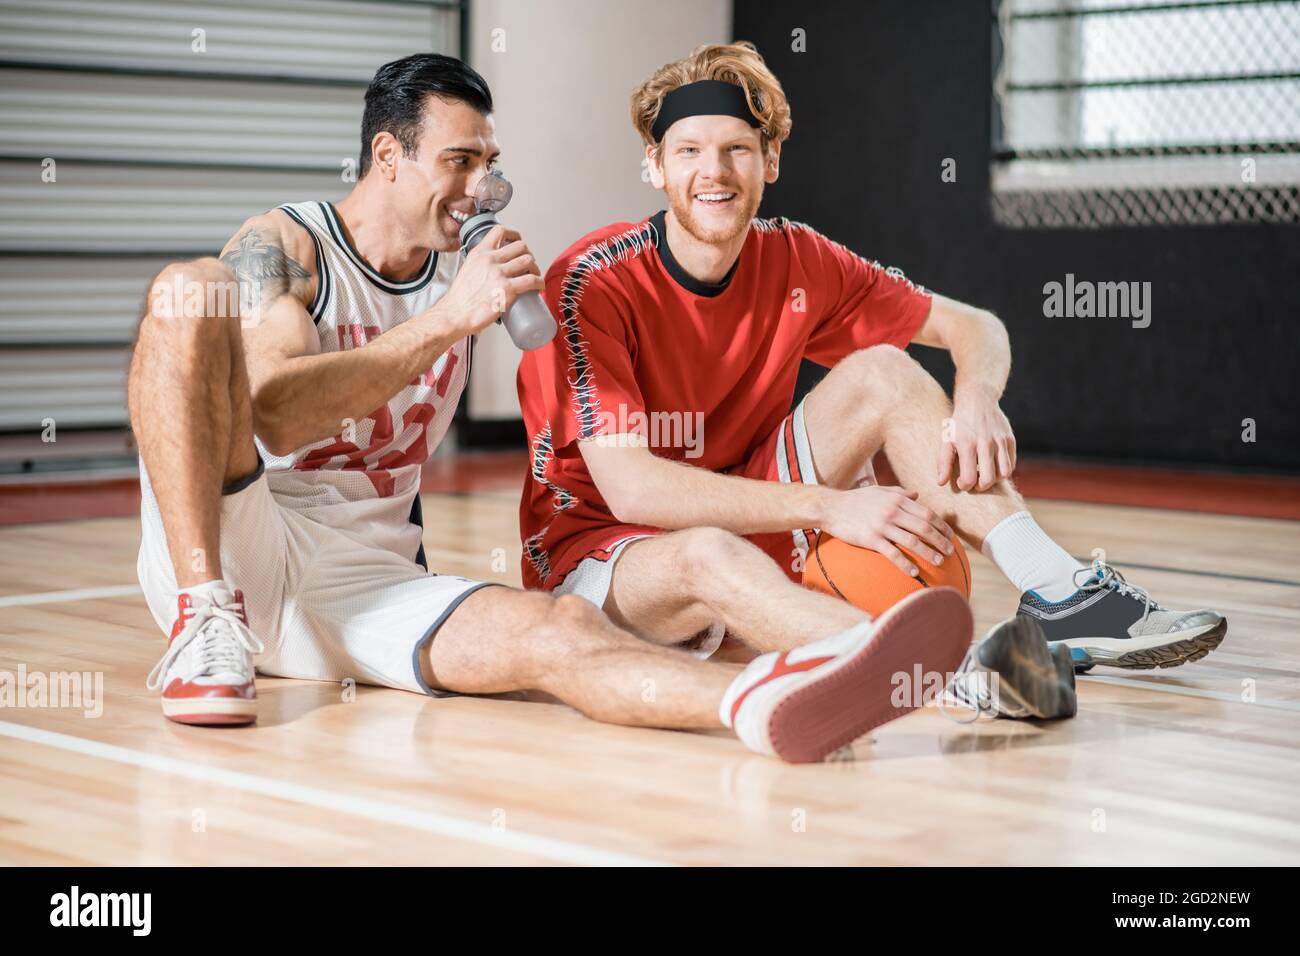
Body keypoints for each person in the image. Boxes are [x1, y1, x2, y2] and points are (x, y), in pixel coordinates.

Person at [128, 53, 971, 764]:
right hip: (245, 533)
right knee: (186, 290)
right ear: (388, 156)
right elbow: (276, 413)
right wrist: (451, 318)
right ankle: (202, 623)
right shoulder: (288, 247)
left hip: (363, 575)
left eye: (488, 163)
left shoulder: (457, 269)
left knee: (559, 629)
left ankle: (770, 697)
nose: (482, 186)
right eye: (459, 162)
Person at [516, 42, 1226, 720]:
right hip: (603, 554)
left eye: (737, 148)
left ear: (770, 161)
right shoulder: (590, 283)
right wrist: (829, 508)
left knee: (885, 372)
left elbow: (975, 325)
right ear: (654, 166)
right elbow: (632, 488)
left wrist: (977, 400)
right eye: (690, 150)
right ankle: (968, 677)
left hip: (746, 497)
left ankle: (1060, 590)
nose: (716, 171)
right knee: (708, 552)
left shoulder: (797, 257)